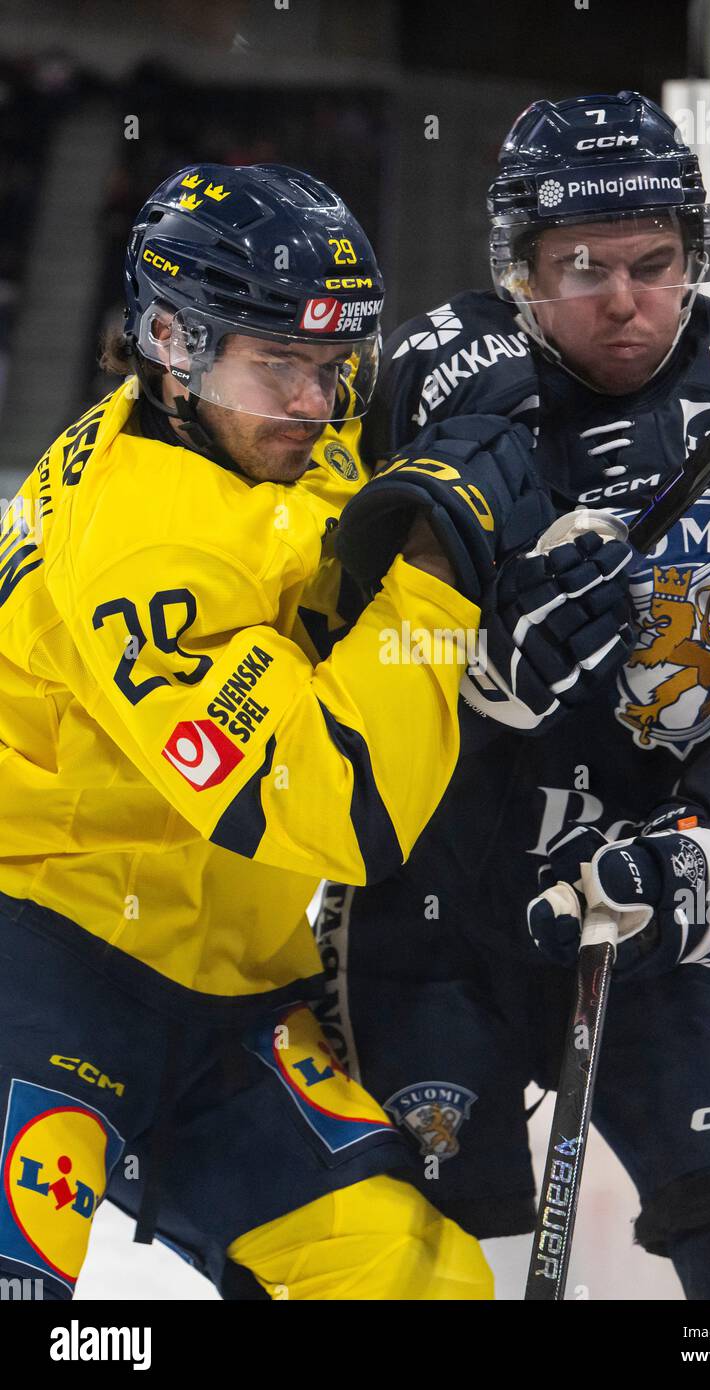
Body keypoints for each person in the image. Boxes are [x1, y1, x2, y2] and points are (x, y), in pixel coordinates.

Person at [316, 93, 710, 1299]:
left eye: (654, 264)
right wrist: (469, 679)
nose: (624, 300)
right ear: (517, 265)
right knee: (424, 1281)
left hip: (653, 911)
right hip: (430, 921)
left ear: (692, 253)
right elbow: (318, 638)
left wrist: (707, 831)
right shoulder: (411, 383)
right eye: (581, 267)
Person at [0, 161, 553, 1301]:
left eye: (329, 364)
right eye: (278, 366)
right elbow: (340, 806)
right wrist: (441, 576)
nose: (313, 402)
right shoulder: (142, 550)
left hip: (222, 994)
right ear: (171, 341)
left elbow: (325, 554)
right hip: (40, 970)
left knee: (418, 1279)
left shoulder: (258, 432)